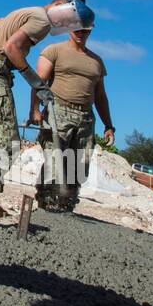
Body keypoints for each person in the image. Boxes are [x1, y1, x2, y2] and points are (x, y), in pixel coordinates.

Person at [0, 0, 95, 224]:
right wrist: (33, 80)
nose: (65, 26)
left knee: (7, 141)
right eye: (68, 20)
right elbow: (12, 47)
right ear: (60, 6)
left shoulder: (27, 12)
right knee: (6, 142)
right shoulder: (41, 20)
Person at [26, 17, 112, 211]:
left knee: (79, 166)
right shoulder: (54, 51)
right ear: (70, 28)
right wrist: (34, 110)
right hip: (59, 111)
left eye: (86, 30)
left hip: (85, 118)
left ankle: (67, 206)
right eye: (78, 29)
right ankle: (46, 205)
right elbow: (39, 82)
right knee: (55, 163)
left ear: (91, 30)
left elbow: (100, 96)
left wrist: (109, 125)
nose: (81, 33)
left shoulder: (97, 61)